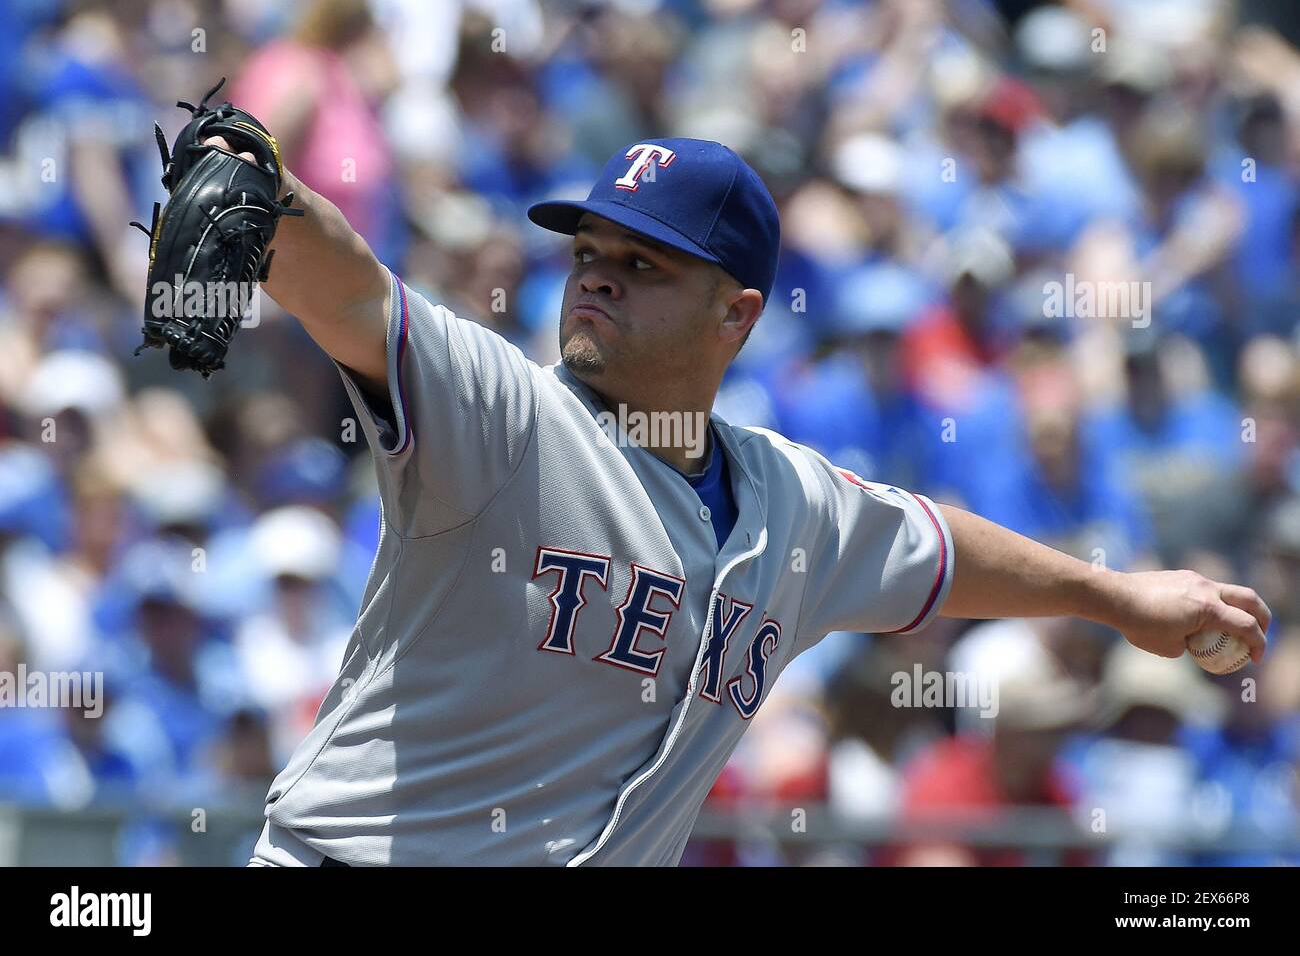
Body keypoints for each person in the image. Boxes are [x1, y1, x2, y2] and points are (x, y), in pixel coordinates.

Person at [199, 124, 1270, 866]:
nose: (598, 274)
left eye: (646, 262)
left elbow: (941, 550)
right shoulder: (501, 413)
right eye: (588, 250)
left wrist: (1116, 598)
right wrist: (268, 195)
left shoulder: (793, 506)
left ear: (738, 313)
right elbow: (352, 292)